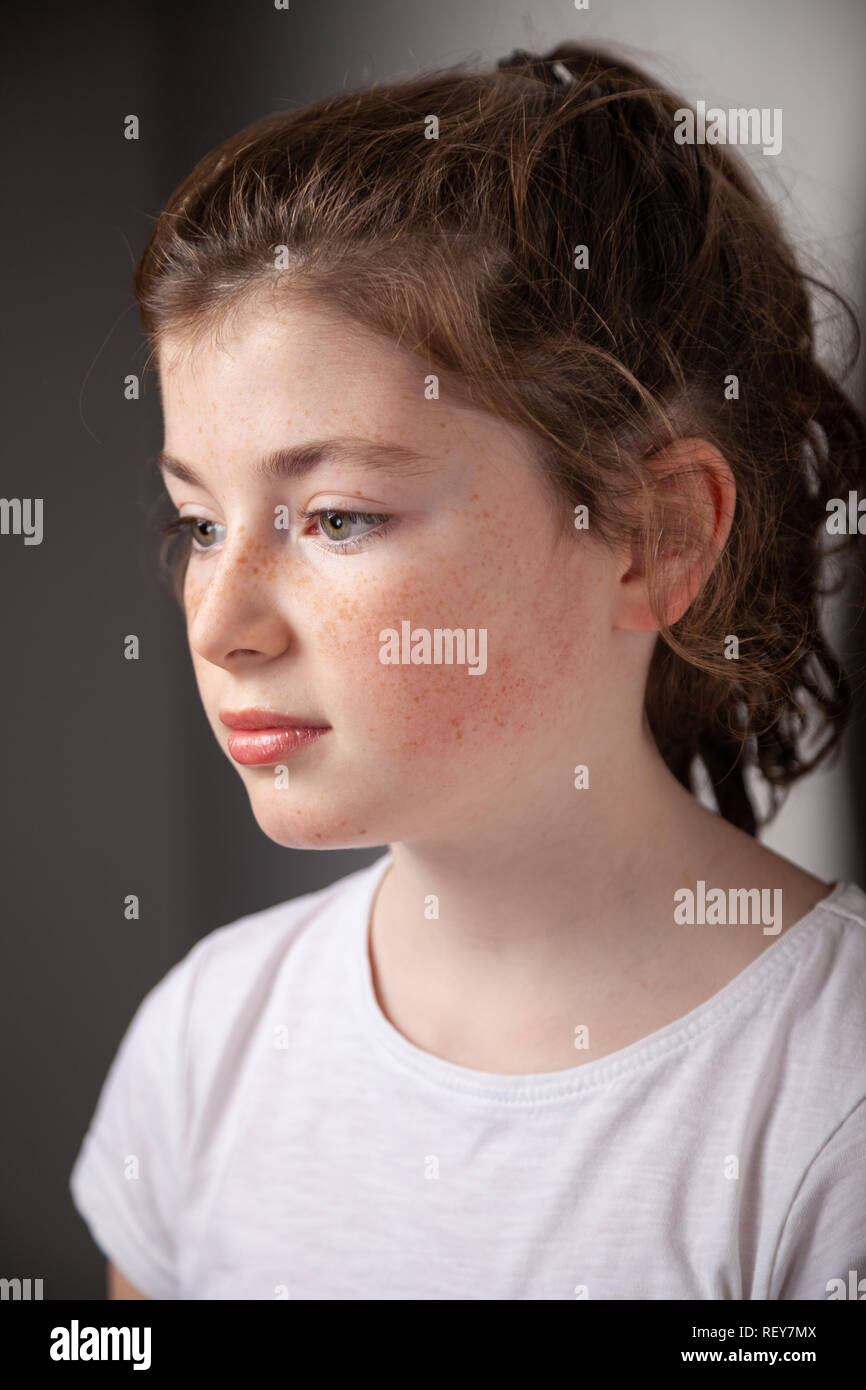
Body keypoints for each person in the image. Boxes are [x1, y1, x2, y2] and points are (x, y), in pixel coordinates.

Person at [70, 42, 866, 1300]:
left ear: (652, 537)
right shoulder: (205, 1042)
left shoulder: (829, 1101)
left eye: (336, 517)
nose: (219, 620)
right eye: (200, 525)